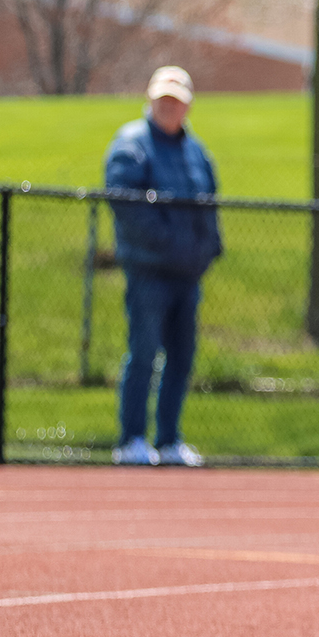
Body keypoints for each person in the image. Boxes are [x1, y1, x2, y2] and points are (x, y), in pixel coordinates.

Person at [105, 65, 222, 468]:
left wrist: (209, 250)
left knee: (182, 357)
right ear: (152, 100)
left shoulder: (196, 151)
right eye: (163, 99)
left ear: (188, 105)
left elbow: (210, 207)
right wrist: (171, 246)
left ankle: (168, 440)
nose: (169, 106)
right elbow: (127, 207)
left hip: (188, 275)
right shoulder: (131, 145)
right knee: (142, 353)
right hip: (149, 272)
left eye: (177, 100)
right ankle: (131, 439)